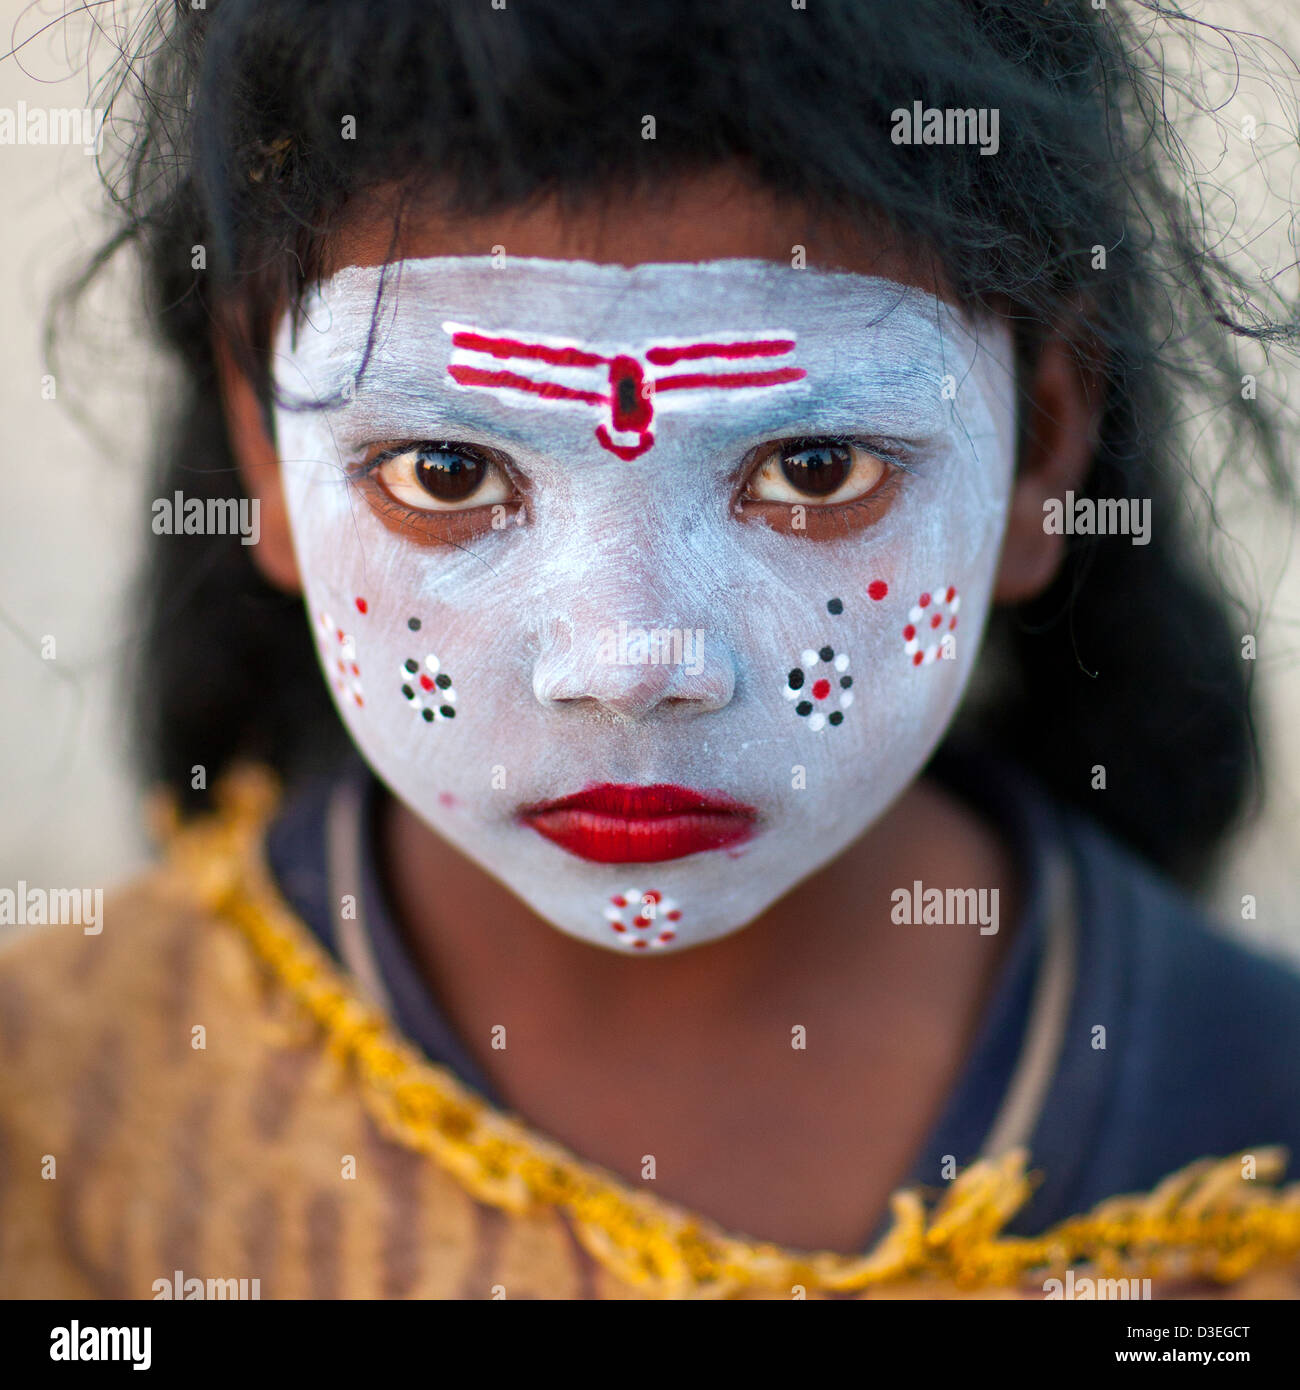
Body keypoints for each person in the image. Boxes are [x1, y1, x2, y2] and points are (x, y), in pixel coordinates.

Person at [3, 0, 1300, 1300]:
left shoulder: (1255, 1150)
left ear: (1041, 445)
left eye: (814, 465)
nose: (632, 660)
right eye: (448, 472)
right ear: (266, 456)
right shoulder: (53, 1119)